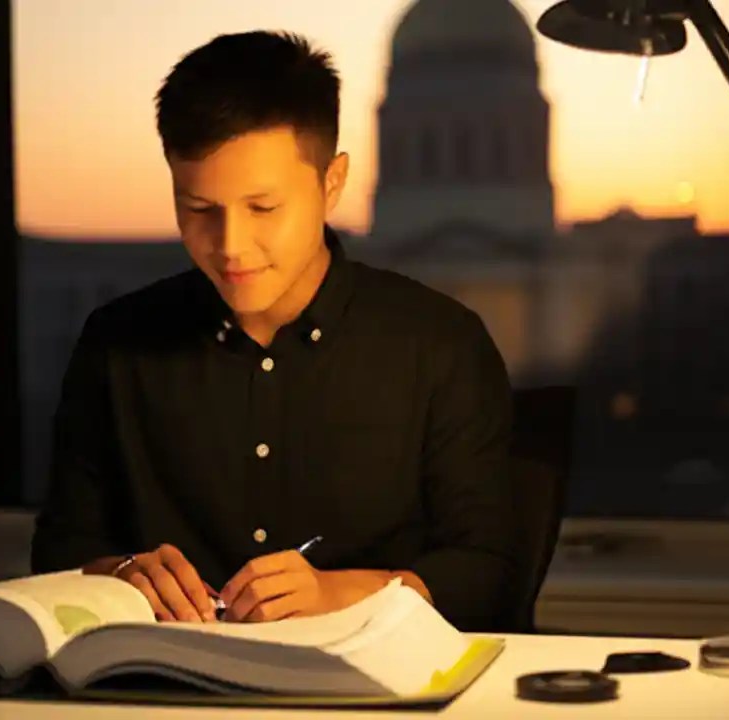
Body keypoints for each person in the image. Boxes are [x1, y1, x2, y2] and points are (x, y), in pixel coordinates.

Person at [30, 30, 516, 631]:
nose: (231, 246)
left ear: (331, 184)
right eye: (199, 209)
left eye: (262, 208)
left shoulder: (440, 343)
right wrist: (123, 573)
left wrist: (341, 593)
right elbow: (59, 550)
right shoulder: (116, 344)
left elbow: (490, 570)